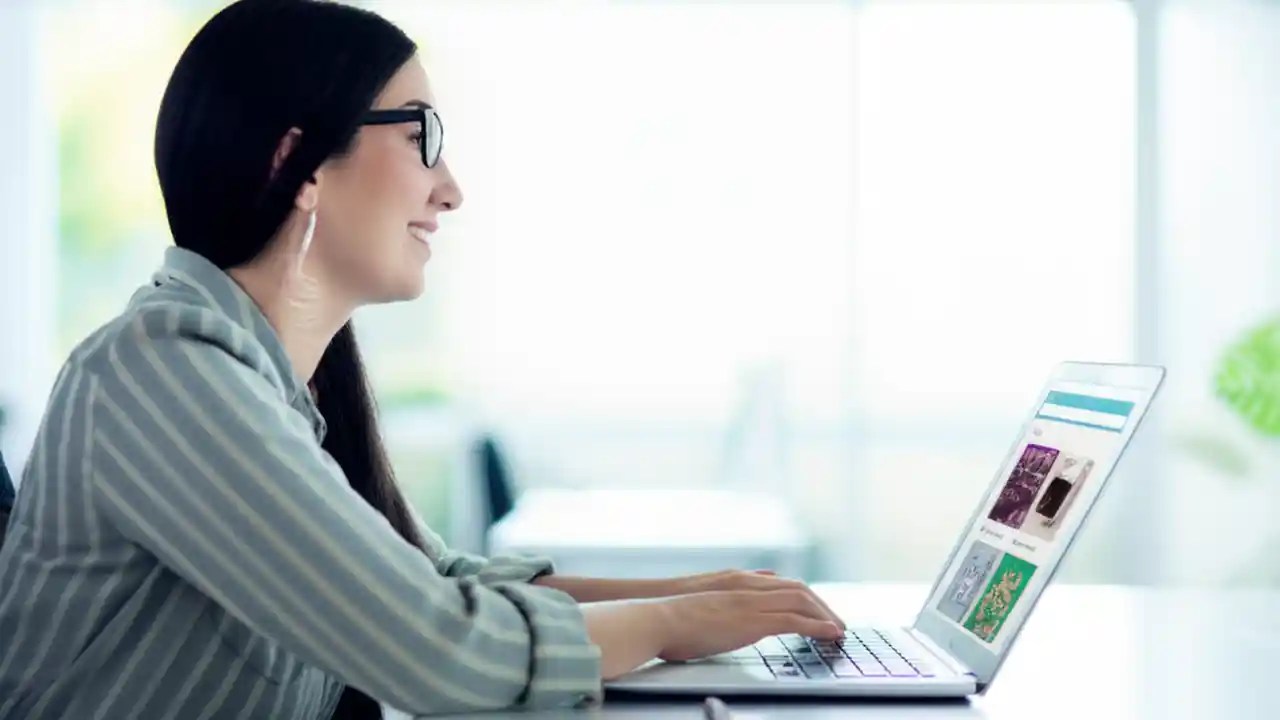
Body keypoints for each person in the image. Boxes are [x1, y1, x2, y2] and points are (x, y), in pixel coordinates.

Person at [0, 1, 844, 718]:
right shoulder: (161, 379)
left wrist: (711, 597)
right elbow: (443, 649)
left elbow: (437, 578)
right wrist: (676, 622)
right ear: (294, 162)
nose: (450, 188)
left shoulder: (261, 387)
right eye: (422, 136)